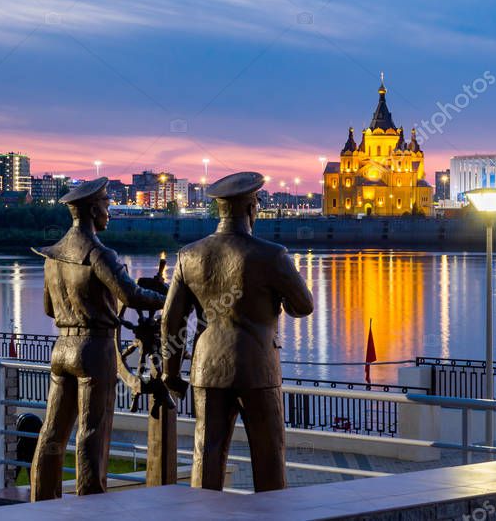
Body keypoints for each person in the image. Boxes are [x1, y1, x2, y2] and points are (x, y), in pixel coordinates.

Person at [161, 171, 314, 491]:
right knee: (268, 451)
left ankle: (204, 513)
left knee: (207, 449)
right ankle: (271, 515)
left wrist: (171, 374)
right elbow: (304, 305)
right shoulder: (271, 255)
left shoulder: (189, 255)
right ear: (251, 207)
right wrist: (279, 302)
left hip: (207, 366)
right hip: (257, 368)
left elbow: (171, 321)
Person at [29, 177, 166, 500]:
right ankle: (90, 508)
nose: (110, 211)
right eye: (106, 205)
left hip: (61, 349)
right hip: (94, 348)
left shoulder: (53, 256)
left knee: (52, 431)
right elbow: (131, 296)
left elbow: (49, 308)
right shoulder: (99, 254)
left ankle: (40, 502)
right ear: (92, 210)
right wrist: (170, 299)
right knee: (93, 432)